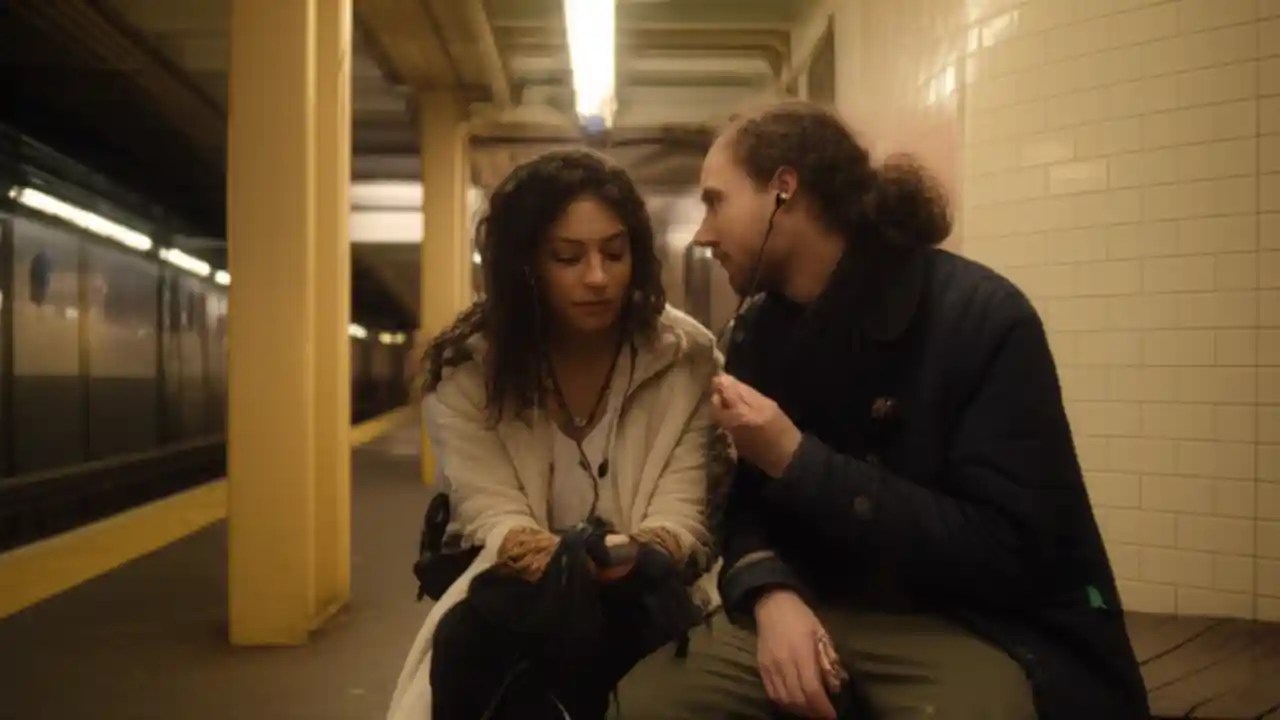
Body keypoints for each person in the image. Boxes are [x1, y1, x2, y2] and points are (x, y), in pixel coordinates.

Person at [615, 101, 1149, 719]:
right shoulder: (757, 334)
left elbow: (1012, 552)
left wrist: (798, 460)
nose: (703, 234)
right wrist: (770, 593)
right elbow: (744, 511)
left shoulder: (981, 319)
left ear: (784, 191)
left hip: (975, 623)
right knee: (647, 703)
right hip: (813, 603)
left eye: (715, 202)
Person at [385, 149, 728, 720]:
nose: (597, 277)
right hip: (516, 605)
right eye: (567, 256)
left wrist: (631, 556)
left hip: (650, 598)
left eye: (614, 253)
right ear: (526, 265)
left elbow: (681, 515)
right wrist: (570, 560)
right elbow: (496, 517)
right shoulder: (467, 371)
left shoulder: (686, 358)